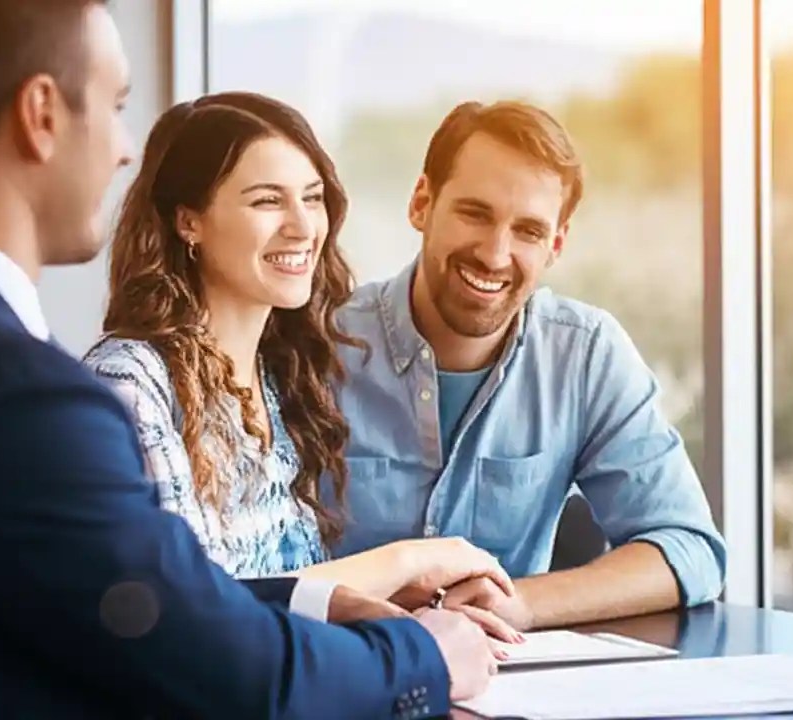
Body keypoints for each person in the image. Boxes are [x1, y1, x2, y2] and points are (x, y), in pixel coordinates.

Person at [0, 2, 494, 716]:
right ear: (41, 113)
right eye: (116, 105)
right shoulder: (17, 388)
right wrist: (425, 656)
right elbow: (205, 661)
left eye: (313, 198)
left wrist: (330, 599)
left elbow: (159, 605)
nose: (127, 149)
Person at [83, 91, 520, 643]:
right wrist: (404, 562)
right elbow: (189, 612)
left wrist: (394, 601)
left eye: (312, 198)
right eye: (268, 201)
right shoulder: (131, 384)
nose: (302, 227)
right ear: (188, 220)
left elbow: (278, 595)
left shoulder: (281, 379)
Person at [331, 100, 727, 630]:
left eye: (529, 232)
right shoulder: (319, 346)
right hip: (337, 678)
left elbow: (690, 549)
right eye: (475, 214)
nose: (495, 254)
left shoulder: (584, 355)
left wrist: (521, 603)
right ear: (422, 203)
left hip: (501, 685)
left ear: (556, 244)